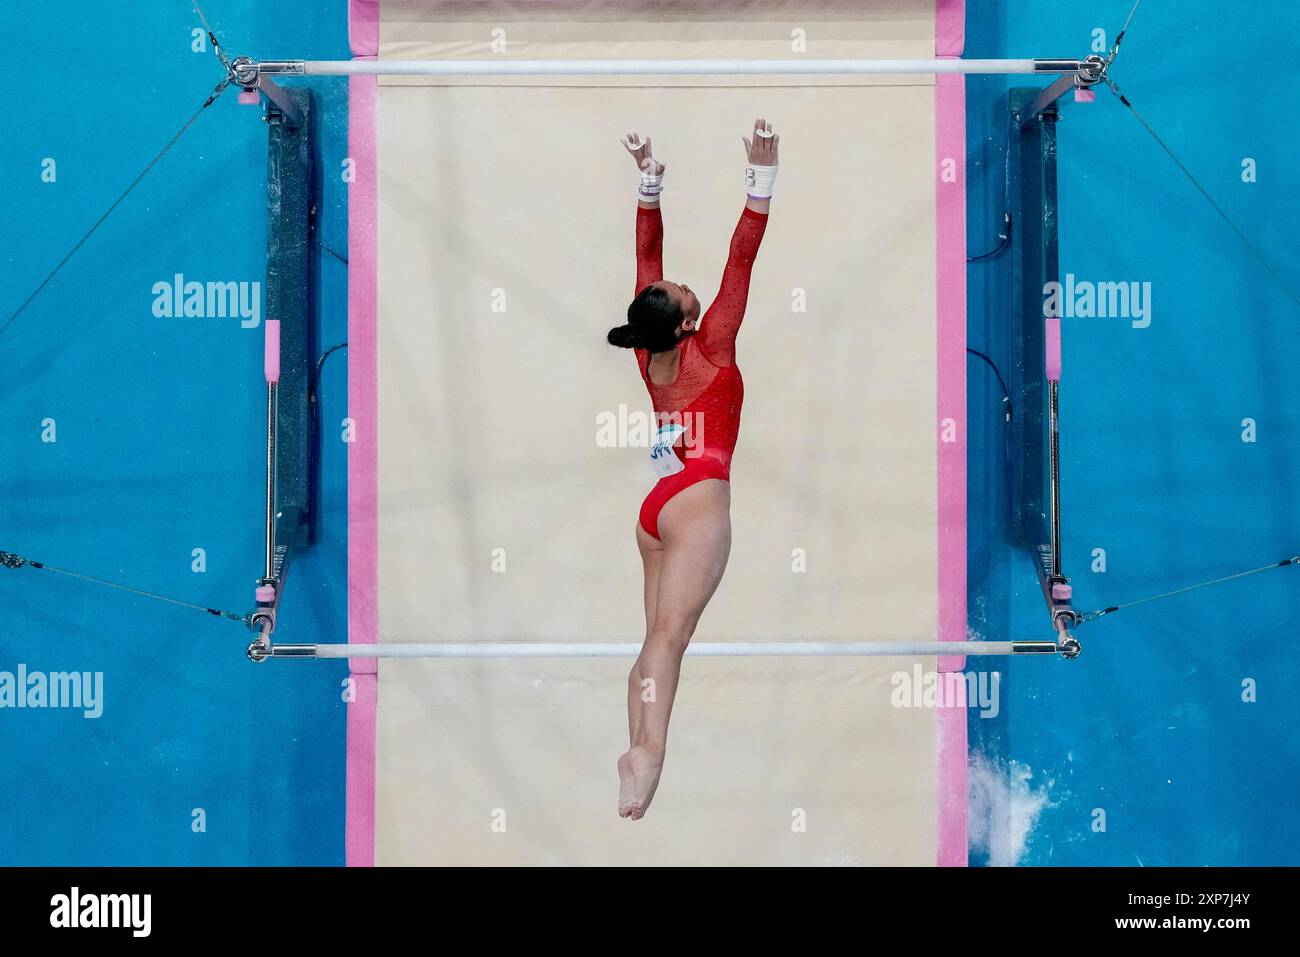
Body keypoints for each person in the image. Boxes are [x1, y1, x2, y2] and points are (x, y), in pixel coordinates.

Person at [607, 118, 778, 819]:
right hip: (700, 499)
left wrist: (649, 180)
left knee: (654, 638)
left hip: (659, 507)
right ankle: (651, 755)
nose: (682, 284)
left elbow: (648, 256)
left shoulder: (649, 350)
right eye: (681, 292)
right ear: (685, 322)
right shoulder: (715, 343)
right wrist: (761, 178)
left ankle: (635, 748)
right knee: (670, 639)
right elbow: (742, 258)